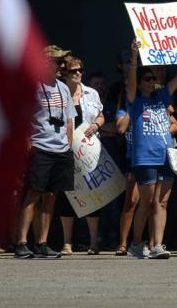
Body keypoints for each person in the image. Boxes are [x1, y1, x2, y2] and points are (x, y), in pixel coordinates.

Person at [124, 41, 177, 259]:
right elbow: (131, 80)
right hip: (144, 158)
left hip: (167, 155)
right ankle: (136, 243)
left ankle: (157, 245)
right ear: (140, 83)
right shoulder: (134, 100)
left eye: (154, 78)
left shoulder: (162, 97)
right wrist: (134, 57)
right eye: (148, 79)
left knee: (162, 202)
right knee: (147, 201)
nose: (153, 82)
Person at [14, 46, 75, 260]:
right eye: (57, 62)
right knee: (33, 194)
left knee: (51, 197)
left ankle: (42, 242)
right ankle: (22, 242)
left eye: (61, 62)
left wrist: (68, 143)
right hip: (41, 147)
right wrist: (28, 143)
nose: (61, 66)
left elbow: (69, 119)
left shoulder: (63, 88)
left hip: (61, 149)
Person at [56, 54, 106, 255]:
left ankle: (94, 243)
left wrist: (95, 125)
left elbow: (101, 115)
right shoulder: (58, 93)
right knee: (66, 195)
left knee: (92, 195)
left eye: (80, 70)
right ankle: (67, 243)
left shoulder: (91, 93)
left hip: (87, 150)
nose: (78, 74)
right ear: (65, 74)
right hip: (65, 149)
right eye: (73, 71)